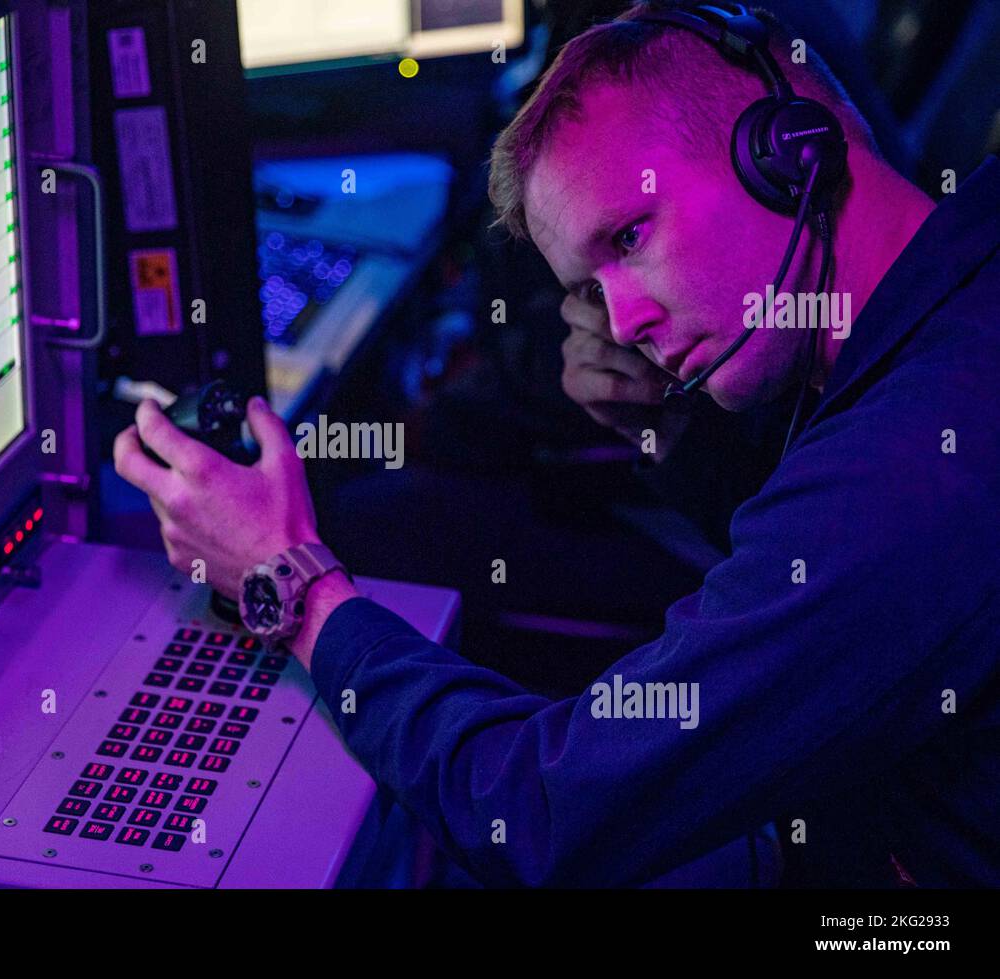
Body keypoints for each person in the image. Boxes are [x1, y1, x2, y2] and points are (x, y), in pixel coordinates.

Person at [113, 2, 1000, 886]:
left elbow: (534, 813)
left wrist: (289, 579)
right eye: (592, 284)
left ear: (789, 151)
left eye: (630, 236)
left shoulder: (909, 476)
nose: (625, 322)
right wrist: (668, 429)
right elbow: (820, 571)